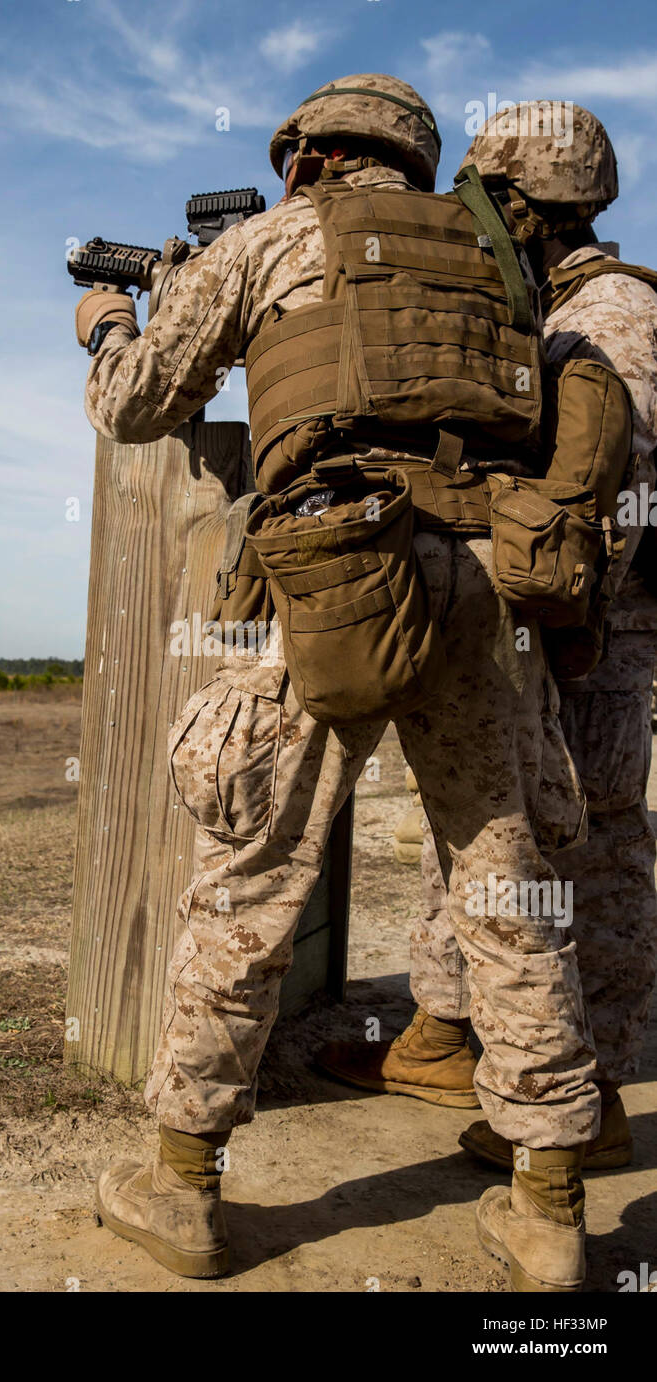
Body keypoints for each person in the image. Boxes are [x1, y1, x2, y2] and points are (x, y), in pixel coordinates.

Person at [76, 76, 599, 1291]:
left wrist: (111, 322)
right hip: (487, 573)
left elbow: (139, 402)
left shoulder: (270, 239)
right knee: (509, 879)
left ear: (305, 161)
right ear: (415, 168)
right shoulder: (491, 257)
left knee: (250, 872)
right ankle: (550, 1205)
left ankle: (183, 1182)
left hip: (342, 569)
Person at [319, 102, 657, 1190]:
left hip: (593, 641)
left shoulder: (610, 316)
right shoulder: (556, 305)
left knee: (585, 856)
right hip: (548, 625)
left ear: (527, 208)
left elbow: (605, 498)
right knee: (486, 834)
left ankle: (587, 1103)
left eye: (490, 205)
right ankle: (444, 1035)